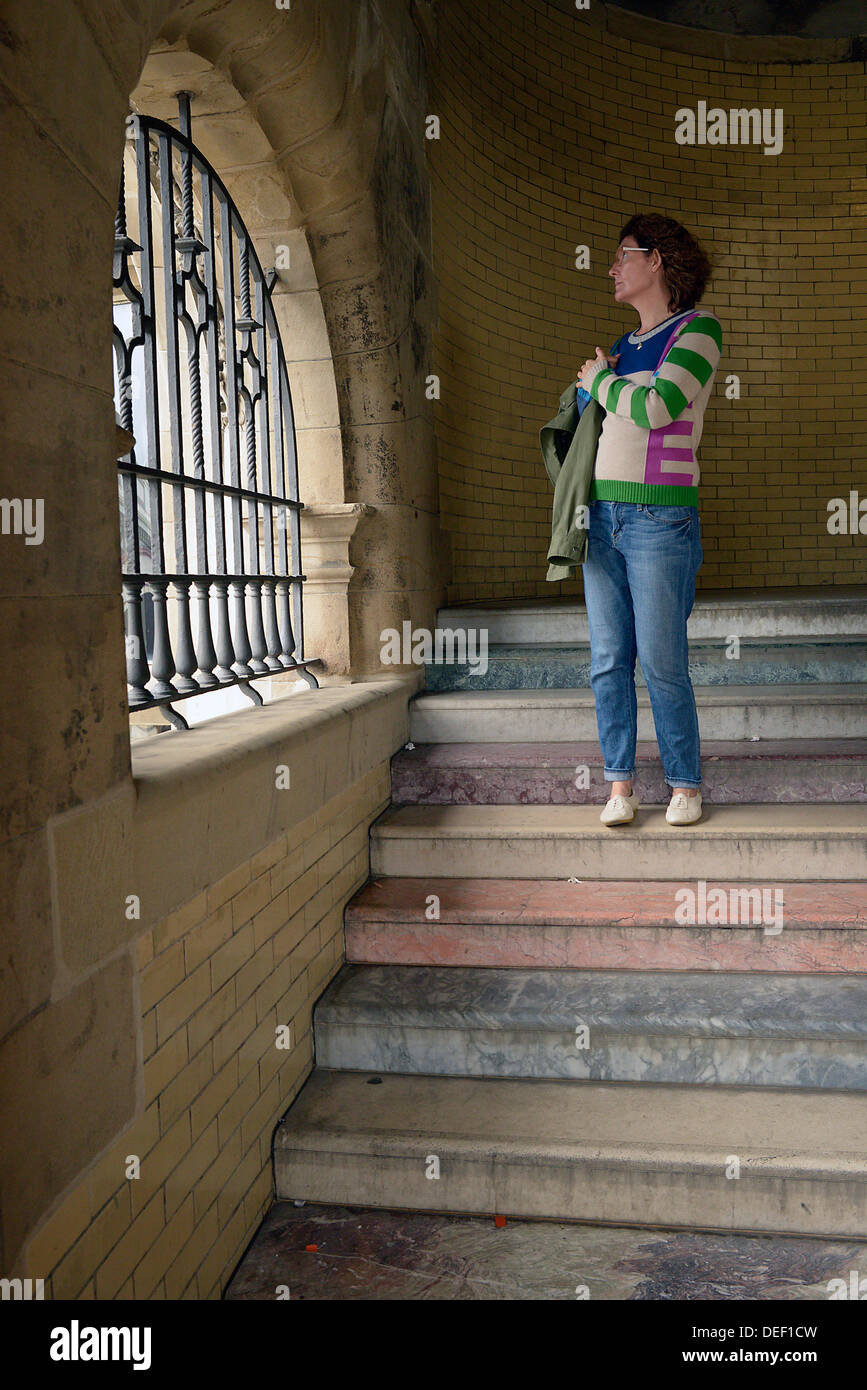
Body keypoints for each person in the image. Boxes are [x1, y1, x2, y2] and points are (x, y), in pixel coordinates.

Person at [575, 214, 722, 827]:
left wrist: (601, 381)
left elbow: (659, 408)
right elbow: (607, 418)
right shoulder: (621, 347)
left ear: (655, 260)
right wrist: (594, 387)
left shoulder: (699, 331)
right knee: (609, 659)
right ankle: (620, 785)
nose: (611, 268)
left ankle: (684, 784)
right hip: (602, 515)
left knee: (662, 660)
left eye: (621, 257)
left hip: (661, 519)